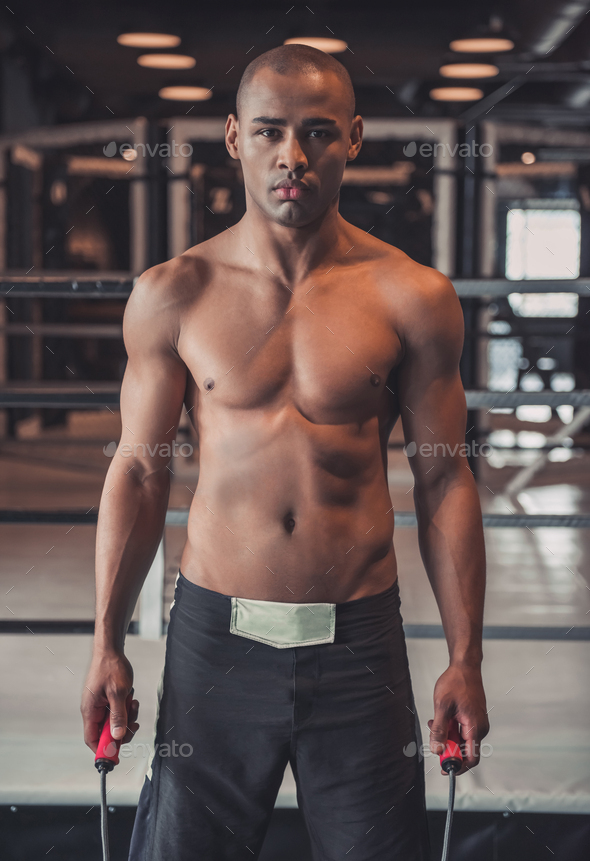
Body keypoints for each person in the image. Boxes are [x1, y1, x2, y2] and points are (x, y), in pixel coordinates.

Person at [81, 43, 489, 861]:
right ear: (234, 138)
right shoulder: (175, 293)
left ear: (355, 138)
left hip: (360, 646)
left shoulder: (412, 295)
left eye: (318, 134)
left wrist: (465, 658)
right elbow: (138, 467)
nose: (293, 157)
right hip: (214, 644)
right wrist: (105, 642)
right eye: (270, 132)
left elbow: (443, 474)